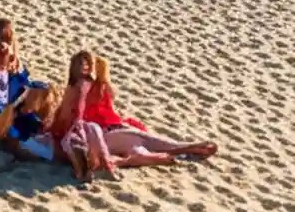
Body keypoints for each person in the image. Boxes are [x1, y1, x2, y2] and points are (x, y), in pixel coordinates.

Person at [90, 56, 218, 165]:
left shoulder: (88, 91)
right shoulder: (105, 89)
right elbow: (109, 111)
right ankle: (183, 148)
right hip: (114, 129)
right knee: (146, 142)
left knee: (140, 144)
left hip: (110, 131)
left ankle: (179, 149)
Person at [50, 50, 119, 182]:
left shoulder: (89, 83)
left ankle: (107, 167)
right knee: (74, 140)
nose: (86, 66)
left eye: (88, 63)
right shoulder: (73, 86)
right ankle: (82, 173)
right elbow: (65, 112)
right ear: (75, 67)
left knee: (94, 129)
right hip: (68, 126)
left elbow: (111, 96)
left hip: (81, 123)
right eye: (82, 63)